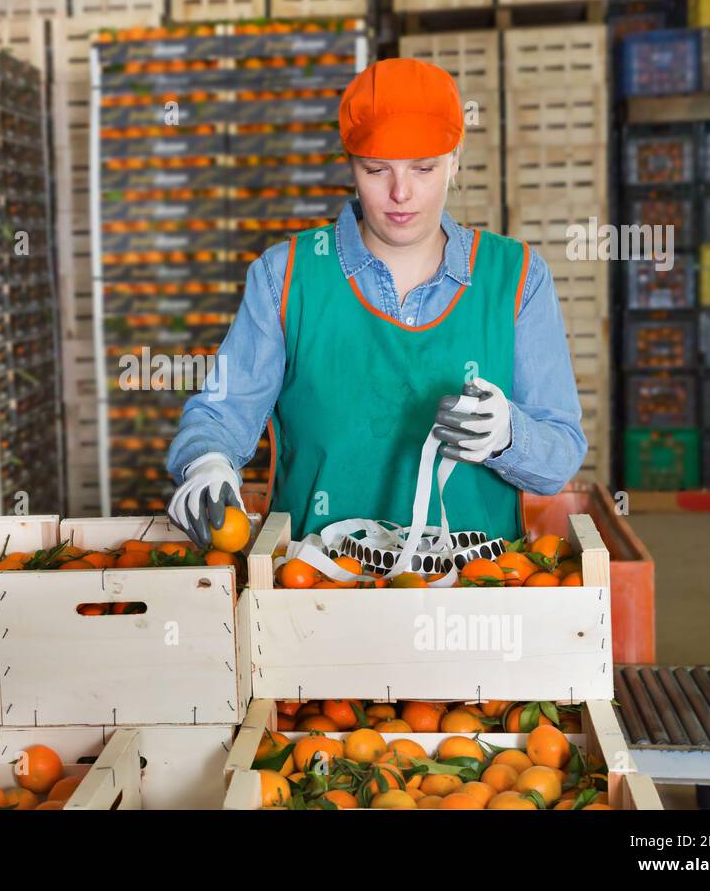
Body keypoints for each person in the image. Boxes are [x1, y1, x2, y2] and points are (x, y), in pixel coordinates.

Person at [165, 58, 586, 547]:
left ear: (456, 160)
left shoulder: (516, 278)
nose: (400, 193)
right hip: (317, 586)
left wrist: (509, 435)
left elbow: (560, 456)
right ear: (350, 164)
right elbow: (221, 413)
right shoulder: (285, 277)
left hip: (477, 587)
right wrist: (208, 464)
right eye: (376, 169)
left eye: (424, 168)